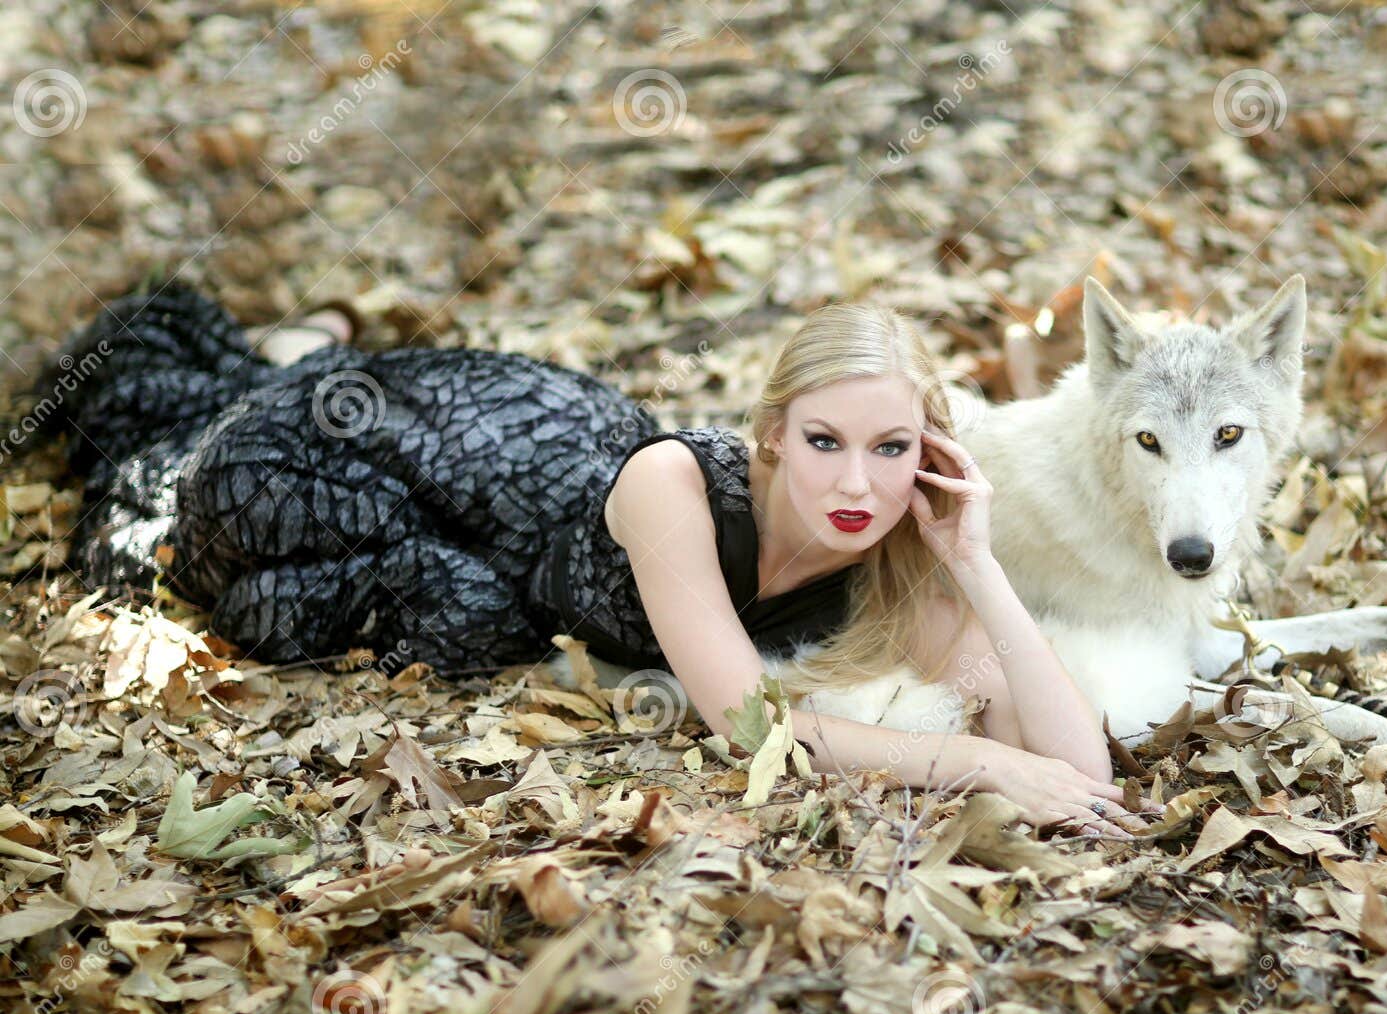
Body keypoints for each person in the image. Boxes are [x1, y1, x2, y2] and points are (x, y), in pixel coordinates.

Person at [44, 284, 1152, 837]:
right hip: (405, 445)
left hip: (480, 514)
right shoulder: (676, 485)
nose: (857, 486)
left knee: (466, 609)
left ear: (930, 452)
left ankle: (295, 351)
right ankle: (278, 376)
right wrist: (980, 766)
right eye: (824, 443)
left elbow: (1082, 770)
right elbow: (751, 725)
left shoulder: (896, 548)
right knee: (204, 509)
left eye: (891, 448)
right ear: (771, 437)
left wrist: (974, 561)